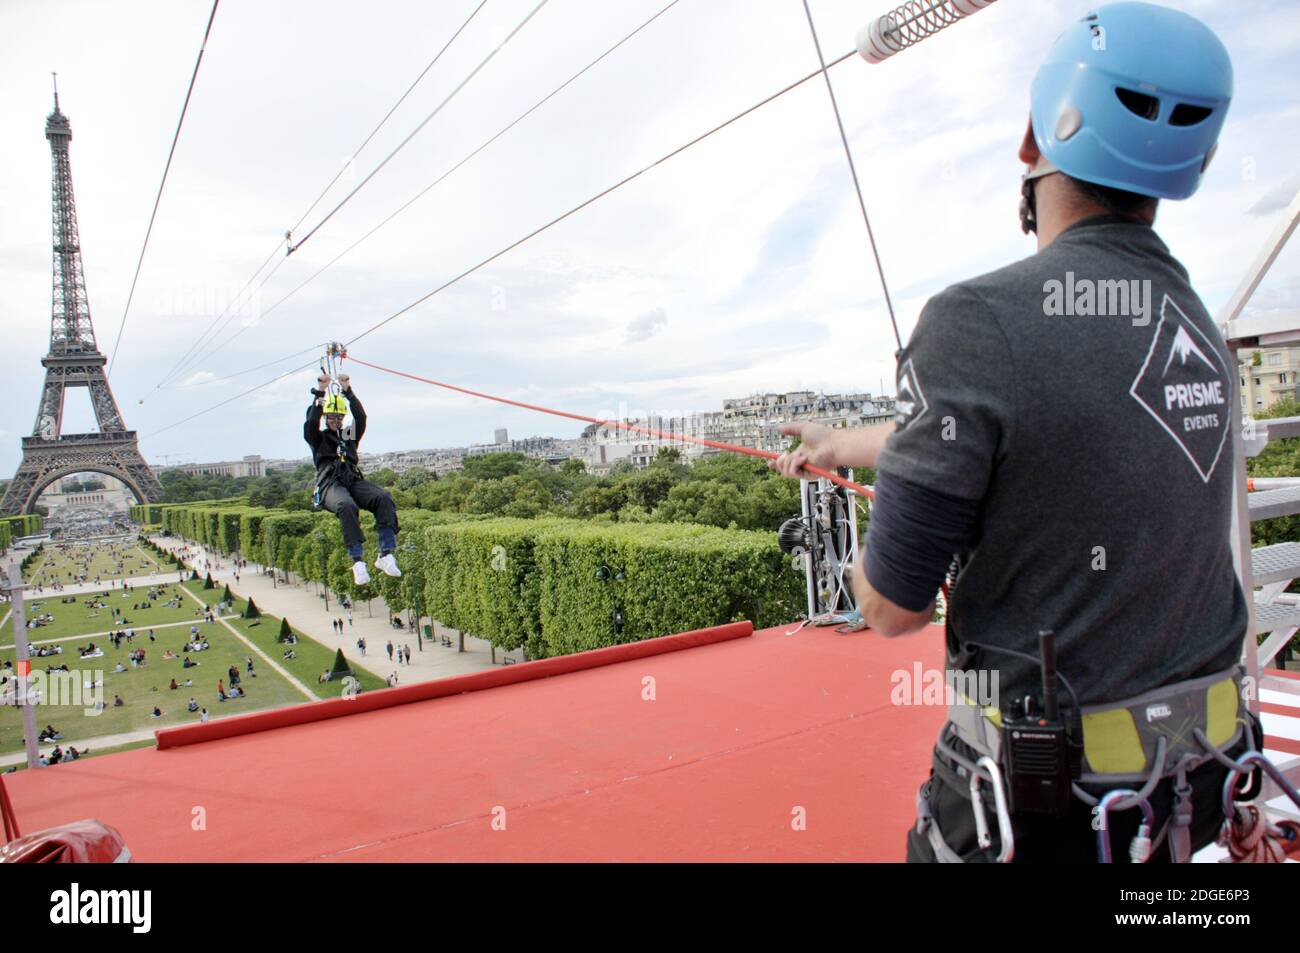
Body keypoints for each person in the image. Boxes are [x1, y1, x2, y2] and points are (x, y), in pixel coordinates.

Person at [771, 3, 1249, 863]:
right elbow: (1021, 427)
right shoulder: (1190, 322)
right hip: (1201, 795)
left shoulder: (977, 321)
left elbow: (889, 608)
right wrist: (839, 445)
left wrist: (854, 560)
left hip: (1047, 813)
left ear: (1034, 138)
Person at [303, 370, 403, 586]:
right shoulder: (318, 438)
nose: (336, 421)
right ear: (326, 417)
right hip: (330, 484)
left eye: (339, 418)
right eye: (332, 417)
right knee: (346, 506)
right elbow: (311, 421)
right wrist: (321, 391)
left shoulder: (349, 437)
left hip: (351, 479)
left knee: (383, 498)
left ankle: (386, 553)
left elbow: (361, 417)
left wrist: (348, 390)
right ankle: (357, 561)